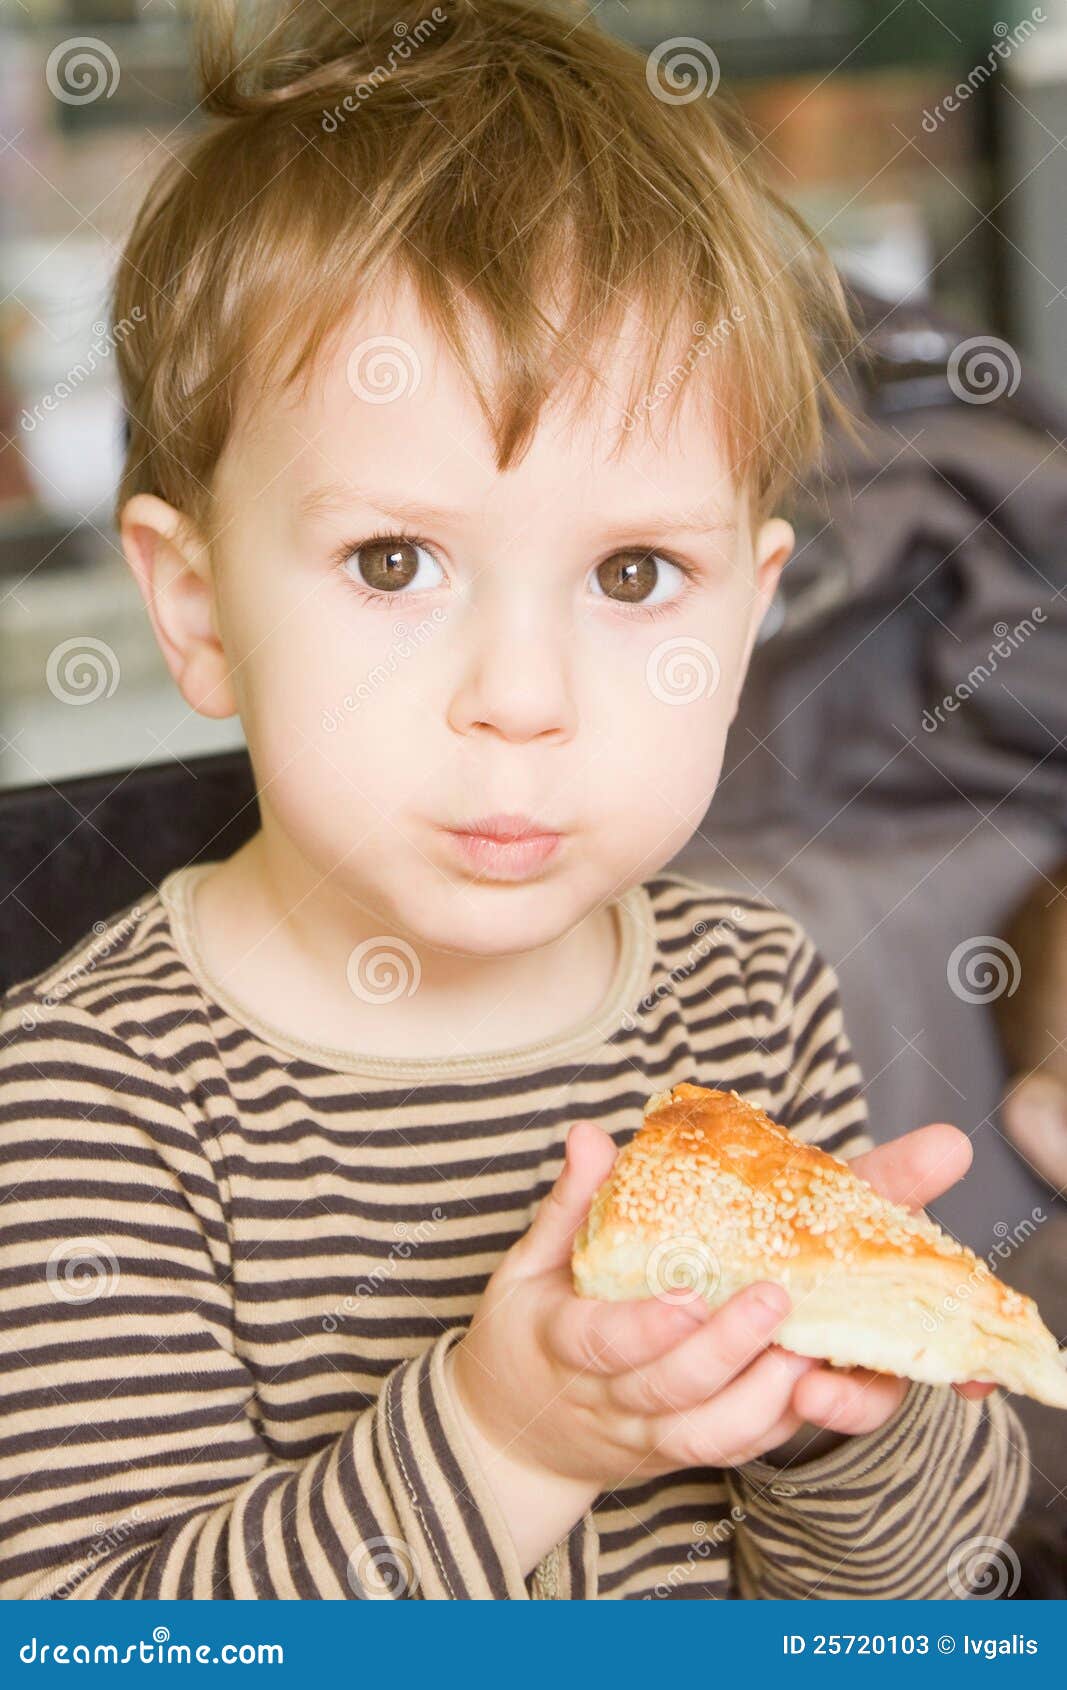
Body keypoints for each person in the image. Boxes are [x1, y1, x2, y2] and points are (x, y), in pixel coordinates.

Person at [0, 0, 1028, 1600]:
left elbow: (919, 1603)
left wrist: (850, 1421)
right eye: (395, 562)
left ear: (748, 613)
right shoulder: (95, 1104)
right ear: (196, 610)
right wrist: (512, 1439)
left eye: (633, 572)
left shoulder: (751, 1005)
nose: (526, 695)